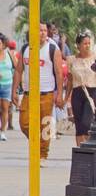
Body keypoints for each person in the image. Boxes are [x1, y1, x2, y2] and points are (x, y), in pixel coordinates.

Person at [14, 23, 66, 162]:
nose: (43, 33)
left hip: (46, 94)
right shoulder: (25, 48)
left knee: (45, 125)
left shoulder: (52, 49)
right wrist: (14, 91)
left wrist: (59, 94)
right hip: (28, 94)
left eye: (44, 30)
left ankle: (43, 154)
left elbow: (59, 73)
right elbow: (19, 70)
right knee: (24, 123)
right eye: (39, 30)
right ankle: (37, 143)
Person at [67, 31, 96, 147]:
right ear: (78, 45)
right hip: (77, 92)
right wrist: (65, 98)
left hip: (91, 92)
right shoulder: (72, 60)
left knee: (86, 123)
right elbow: (70, 80)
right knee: (78, 124)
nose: (87, 46)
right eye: (84, 43)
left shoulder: (95, 58)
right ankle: (79, 150)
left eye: (89, 43)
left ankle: (89, 146)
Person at [0, 35, 14, 141]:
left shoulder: (9, 53)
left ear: (3, 44)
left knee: (5, 109)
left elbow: (17, 66)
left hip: (7, 85)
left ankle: (3, 131)